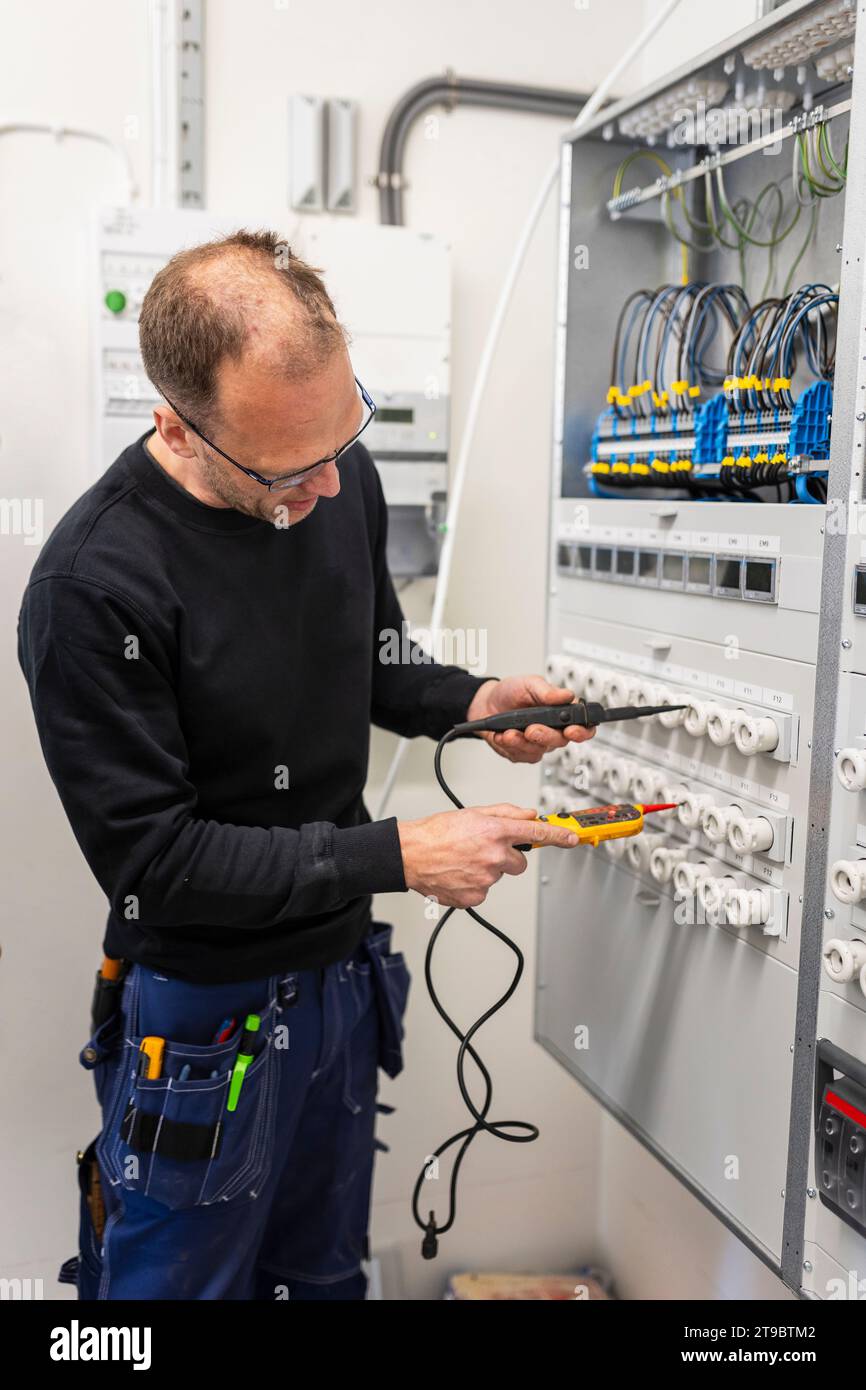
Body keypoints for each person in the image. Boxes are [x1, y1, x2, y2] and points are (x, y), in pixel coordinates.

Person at [18, 229, 593, 1300]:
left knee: (321, 1283)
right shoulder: (93, 588)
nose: (330, 484)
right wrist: (401, 852)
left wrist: (466, 704)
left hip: (335, 986)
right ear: (177, 428)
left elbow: (367, 658)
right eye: (288, 470)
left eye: (344, 438)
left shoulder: (336, 472)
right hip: (202, 1020)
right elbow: (159, 861)